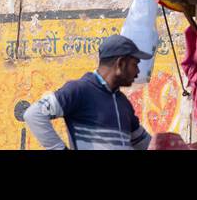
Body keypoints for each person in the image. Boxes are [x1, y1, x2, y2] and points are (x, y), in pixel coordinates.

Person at [22, 34, 153, 150]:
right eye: (135, 65)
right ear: (121, 63)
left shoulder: (123, 102)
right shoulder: (80, 90)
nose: (137, 72)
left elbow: (142, 142)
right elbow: (33, 114)